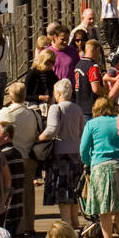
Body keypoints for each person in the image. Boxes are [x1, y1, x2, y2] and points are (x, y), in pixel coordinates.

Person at [79, 96, 119, 238]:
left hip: (100, 166)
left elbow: (84, 149)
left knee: (104, 208)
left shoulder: (92, 124)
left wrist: (89, 162)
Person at [39, 78, 85, 229]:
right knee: (73, 192)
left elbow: (52, 129)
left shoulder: (55, 108)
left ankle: (67, 225)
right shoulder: (77, 109)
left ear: (58, 93)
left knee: (63, 193)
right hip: (76, 153)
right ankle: (75, 223)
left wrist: (39, 137)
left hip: (60, 155)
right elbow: (82, 131)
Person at [0, 122, 25, 237]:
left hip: (6, 209)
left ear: (6, 136)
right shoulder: (17, 153)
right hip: (16, 209)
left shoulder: (2, 155)